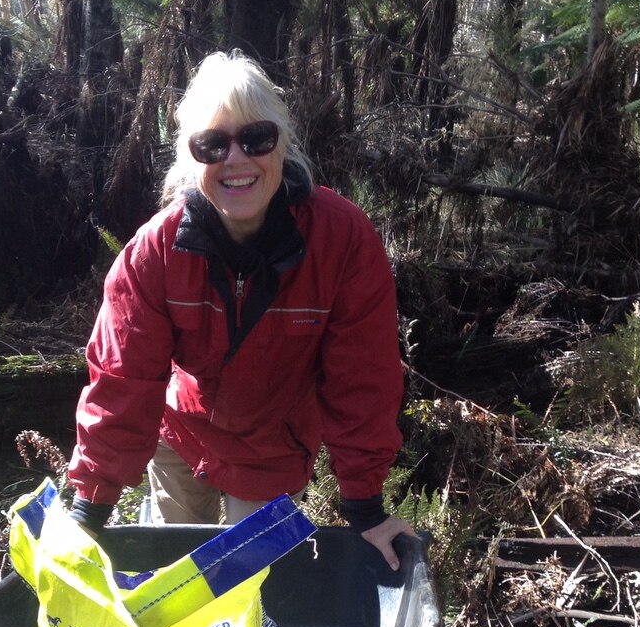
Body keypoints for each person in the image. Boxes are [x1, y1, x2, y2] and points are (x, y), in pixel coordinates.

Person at [68, 50, 418, 570]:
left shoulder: (342, 240)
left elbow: (363, 379)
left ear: (283, 144)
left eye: (256, 138)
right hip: (182, 432)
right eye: (212, 145)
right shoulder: (154, 252)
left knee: (251, 583)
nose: (236, 159)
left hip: (273, 446)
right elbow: (122, 380)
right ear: (190, 159)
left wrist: (364, 506)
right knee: (175, 580)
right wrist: (89, 511)